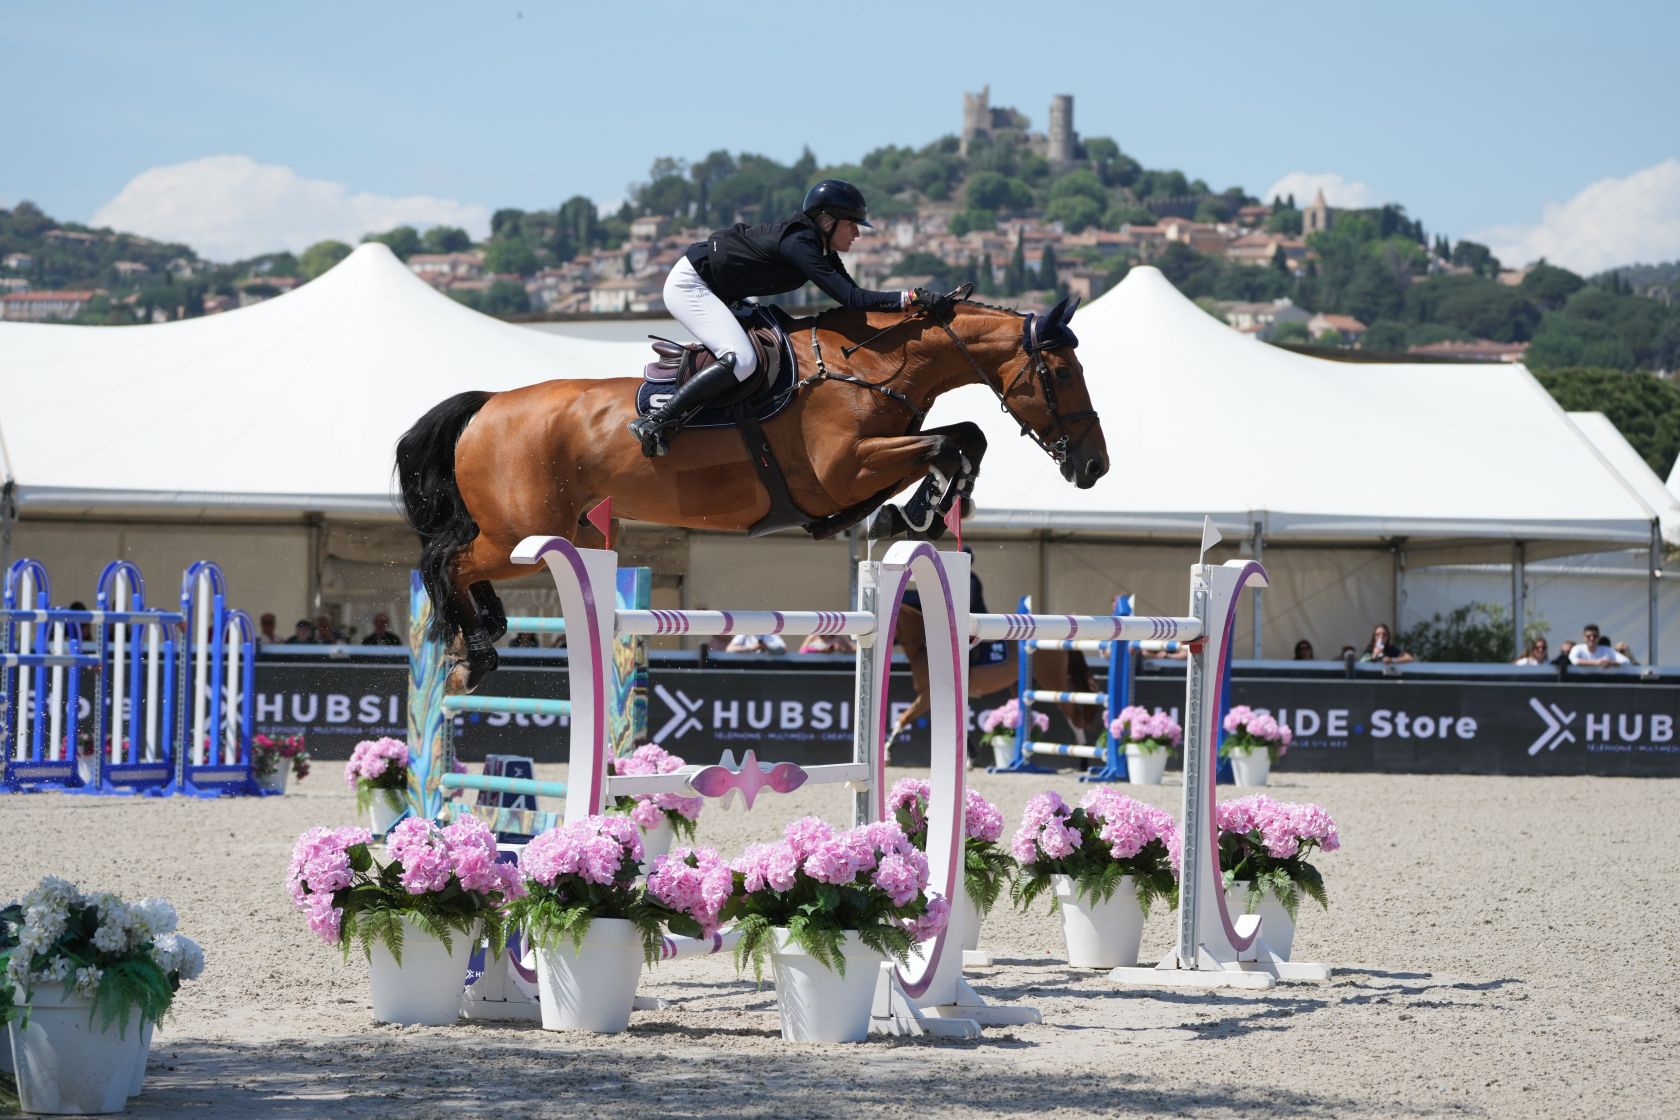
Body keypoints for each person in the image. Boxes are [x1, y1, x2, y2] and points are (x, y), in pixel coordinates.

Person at [627, 179, 939, 457]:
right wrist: (909, 297)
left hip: (720, 290)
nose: (857, 232)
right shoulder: (800, 245)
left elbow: (854, 299)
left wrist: (911, 308)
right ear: (827, 221)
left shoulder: (820, 247)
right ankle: (657, 420)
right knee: (742, 360)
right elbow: (850, 299)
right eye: (852, 224)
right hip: (691, 285)